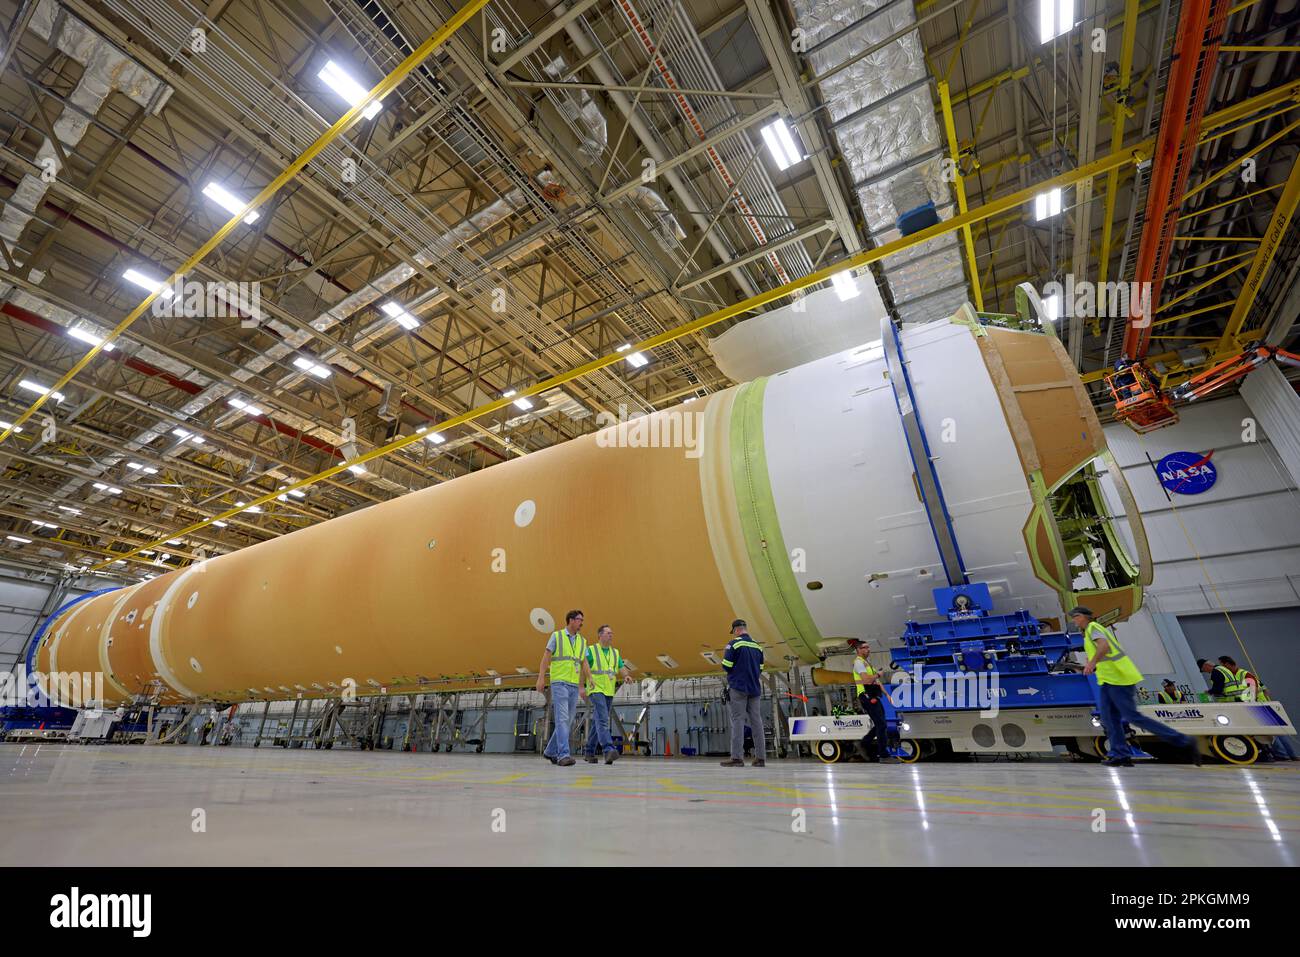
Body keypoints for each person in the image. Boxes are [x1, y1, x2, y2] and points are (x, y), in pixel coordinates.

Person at [1074, 607, 1200, 767]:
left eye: (1076, 616)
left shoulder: (1093, 628)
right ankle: (1120, 754)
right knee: (1109, 719)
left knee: (1132, 716)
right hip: (1107, 680)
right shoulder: (1088, 633)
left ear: (1085, 617)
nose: (1074, 620)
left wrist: (1091, 663)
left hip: (1119, 678)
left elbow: (1104, 646)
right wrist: (1091, 662)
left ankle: (1184, 740)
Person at [535, 610, 590, 766]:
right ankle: (563, 755)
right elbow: (546, 658)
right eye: (579, 620)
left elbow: (583, 661)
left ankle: (550, 751)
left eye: (582, 620)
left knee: (568, 720)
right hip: (559, 682)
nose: (581, 623)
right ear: (571, 620)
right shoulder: (557, 636)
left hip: (573, 684)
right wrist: (541, 677)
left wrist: (588, 680)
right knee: (562, 719)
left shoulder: (582, 641)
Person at [719, 618, 766, 768]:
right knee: (757, 722)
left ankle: (737, 758)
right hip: (754, 689)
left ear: (736, 630)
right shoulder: (758, 647)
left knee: (738, 721)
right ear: (745, 628)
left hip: (738, 688)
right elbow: (761, 668)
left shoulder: (733, 644)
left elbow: (726, 665)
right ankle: (760, 758)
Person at [583, 624, 631, 765]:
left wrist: (626, 676)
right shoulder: (590, 650)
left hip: (609, 691)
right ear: (600, 635)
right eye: (608, 633)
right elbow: (583, 667)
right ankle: (608, 750)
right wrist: (582, 686)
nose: (611, 635)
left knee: (597, 721)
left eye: (612, 633)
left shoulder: (615, 652)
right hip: (595, 689)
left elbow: (621, 666)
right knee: (603, 719)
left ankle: (589, 751)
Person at [849, 639, 895, 762]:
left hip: (873, 695)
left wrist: (887, 694)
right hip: (866, 695)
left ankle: (864, 743)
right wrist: (878, 674)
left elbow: (876, 681)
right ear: (858, 650)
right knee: (881, 724)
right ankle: (883, 755)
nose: (868, 649)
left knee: (881, 724)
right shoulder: (859, 663)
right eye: (865, 647)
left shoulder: (866, 663)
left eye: (868, 647)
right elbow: (867, 680)